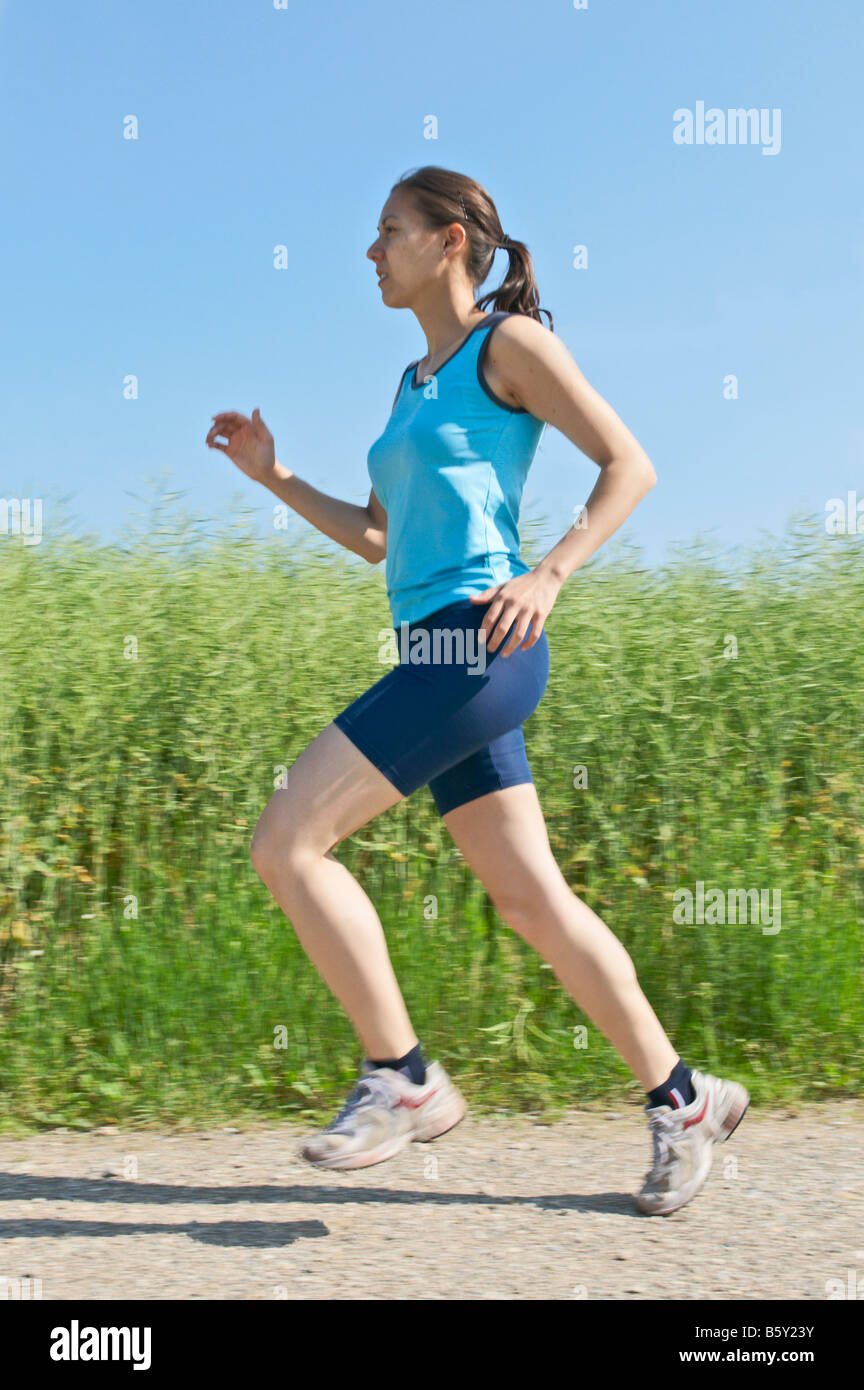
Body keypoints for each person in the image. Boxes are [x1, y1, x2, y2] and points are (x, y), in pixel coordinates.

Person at [205, 165, 748, 1216]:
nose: (371, 251)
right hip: (435, 653)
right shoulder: (412, 383)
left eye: (389, 232)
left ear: (451, 241)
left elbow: (628, 464)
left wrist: (550, 572)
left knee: (287, 842)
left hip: (477, 646)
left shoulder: (511, 345)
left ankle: (403, 1078)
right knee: (530, 897)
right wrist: (273, 476)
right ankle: (684, 1098)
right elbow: (377, 539)